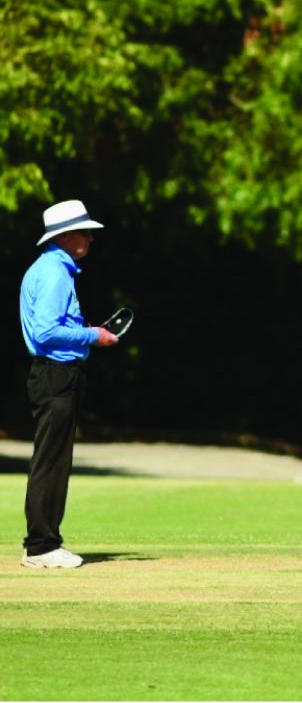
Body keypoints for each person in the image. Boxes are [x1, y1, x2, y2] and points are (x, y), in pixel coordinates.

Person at [19, 200, 120, 569]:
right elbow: (46, 332)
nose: (91, 239)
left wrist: (85, 333)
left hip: (52, 374)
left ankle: (42, 542)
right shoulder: (55, 272)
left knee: (52, 460)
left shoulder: (50, 268)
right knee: (51, 462)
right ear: (64, 236)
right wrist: (93, 336)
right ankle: (41, 546)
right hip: (56, 375)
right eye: (85, 232)